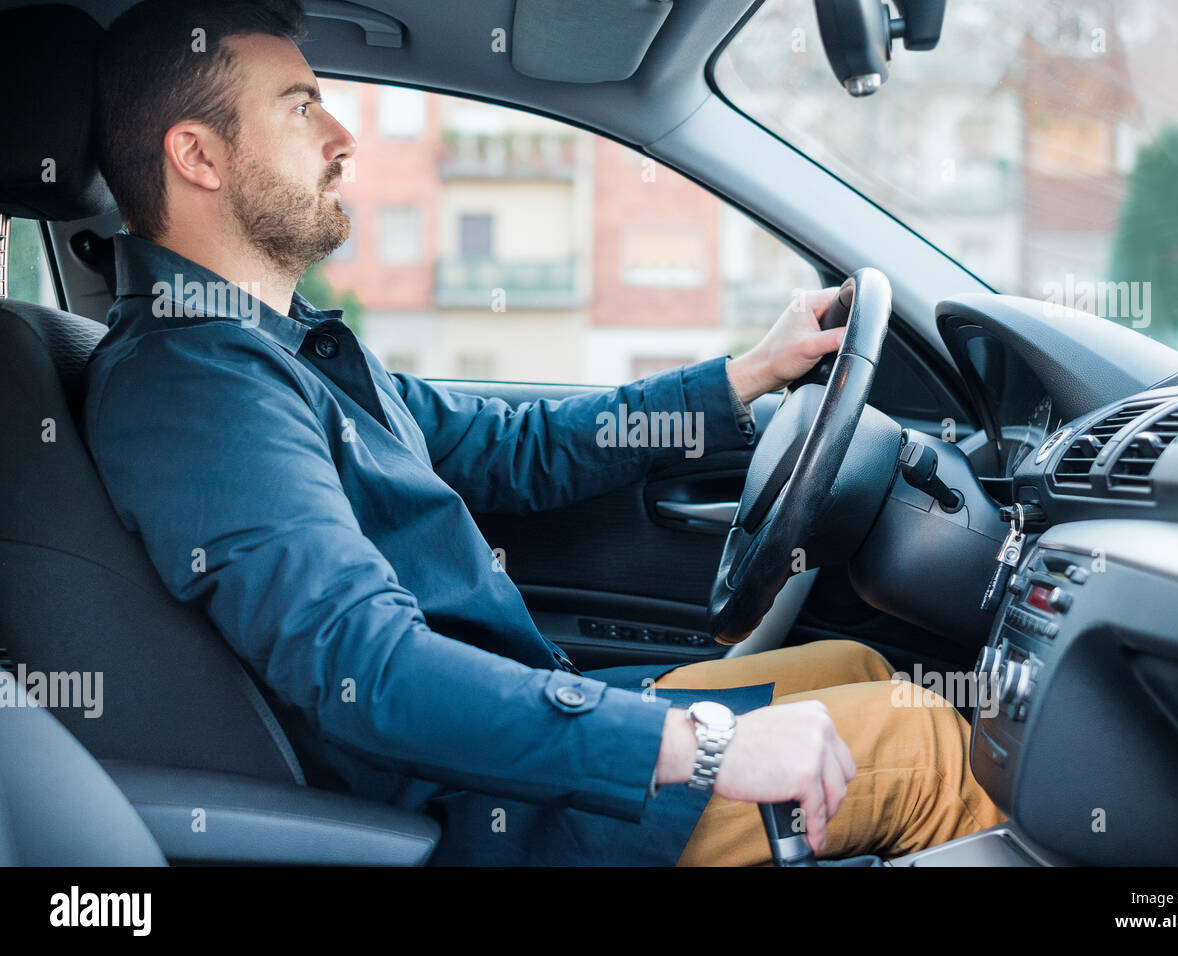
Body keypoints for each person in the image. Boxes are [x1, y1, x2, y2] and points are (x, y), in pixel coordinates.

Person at [84, 0, 1004, 866]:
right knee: (922, 746)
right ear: (198, 156)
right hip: (479, 816)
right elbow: (360, 666)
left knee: (857, 664)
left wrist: (744, 376)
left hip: (512, 754)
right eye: (301, 109)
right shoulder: (195, 388)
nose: (343, 138)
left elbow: (510, 446)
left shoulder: (280, 351)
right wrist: (705, 744)